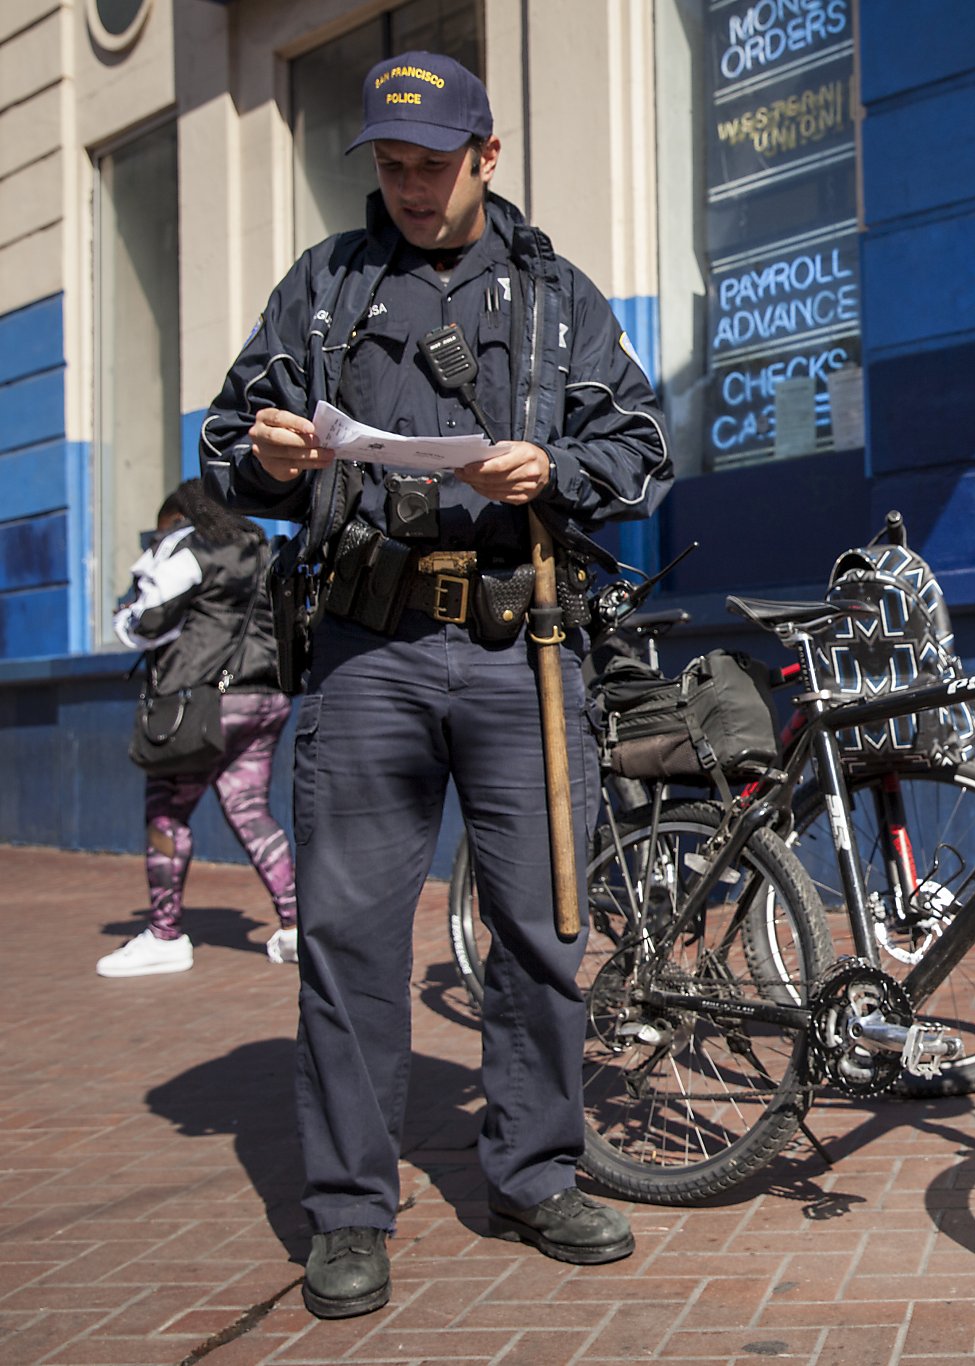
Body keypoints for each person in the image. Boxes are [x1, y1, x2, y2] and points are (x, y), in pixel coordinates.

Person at [201, 52, 672, 1320]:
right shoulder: (325, 290)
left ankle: (532, 1170)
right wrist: (270, 453)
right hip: (364, 653)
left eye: (431, 162)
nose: (408, 186)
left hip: (522, 655)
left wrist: (555, 469)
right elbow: (226, 439)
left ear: (487, 155)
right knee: (351, 935)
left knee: (536, 929)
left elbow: (640, 448)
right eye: (390, 164)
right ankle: (350, 1209)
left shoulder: (558, 296)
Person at [101, 480, 299, 978]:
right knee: (251, 810)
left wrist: (125, 610)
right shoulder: (263, 547)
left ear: (183, 513)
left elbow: (145, 623)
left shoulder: (190, 549)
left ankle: (165, 935)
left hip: (202, 703)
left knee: (166, 813)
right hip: (266, 696)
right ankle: (297, 926)